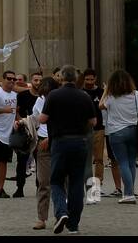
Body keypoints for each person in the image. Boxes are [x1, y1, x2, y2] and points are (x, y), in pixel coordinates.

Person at [40, 65, 97, 233]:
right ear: (76, 78)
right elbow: (93, 122)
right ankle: (73, 224)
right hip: (80, 142)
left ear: (62, 78)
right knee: (77, 182)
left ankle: (61, 212)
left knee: (56, 180)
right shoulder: (84, 96)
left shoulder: (54, 95)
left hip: (60, 142)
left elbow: (43, 119)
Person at [100, 69, 138, 204]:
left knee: (122, 162)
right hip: (133, 130)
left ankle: (128, 193)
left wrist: (105, 90)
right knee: (131, 163)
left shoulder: (111, 97)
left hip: (116, 132)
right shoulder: (136, 94)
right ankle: (130, 190)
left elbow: (101, 106)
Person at [30, 76, 55, 229]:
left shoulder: (60, 100)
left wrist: (51, 137)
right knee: (43, 182)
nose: (44, 97)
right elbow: (34, 118)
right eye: (42, 94)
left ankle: (61, 213)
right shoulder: (40, 100)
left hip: (58, 141)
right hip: (42, 142)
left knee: (61, 181)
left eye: (47, 94)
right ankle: (42, 218)